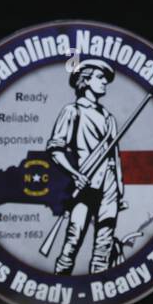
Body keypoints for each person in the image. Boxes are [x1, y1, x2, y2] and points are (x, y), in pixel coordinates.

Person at [47, 58, 125, 275]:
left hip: (109, 184)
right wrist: (74, 175)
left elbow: (114, 157)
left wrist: (119, 190)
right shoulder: (72, 111)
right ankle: (61, 278)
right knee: (75, 234)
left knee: (105, 238)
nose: (104, 83)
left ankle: (98, 283)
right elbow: (55, 149)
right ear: (86, 80)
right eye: (100, 78)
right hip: (86, 181)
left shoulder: (109, 118)